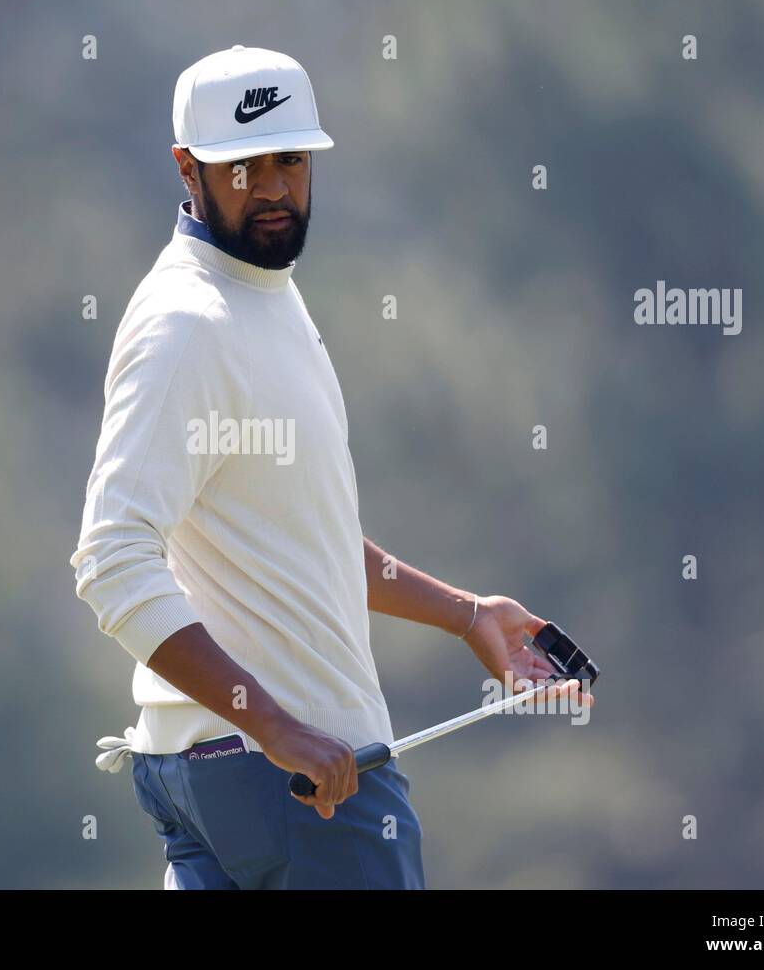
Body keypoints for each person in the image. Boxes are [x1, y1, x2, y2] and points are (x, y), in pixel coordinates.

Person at [71, 45, 587, 889]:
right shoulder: (187, 324)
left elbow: (304, 537)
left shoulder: (264, 294)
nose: (273, 187)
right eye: (243, 166)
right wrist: (273, 726)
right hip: (300, 786)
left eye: (290, 159)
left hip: (225, 782)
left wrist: (467, 616)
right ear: (188, 169)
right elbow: (111, 559)